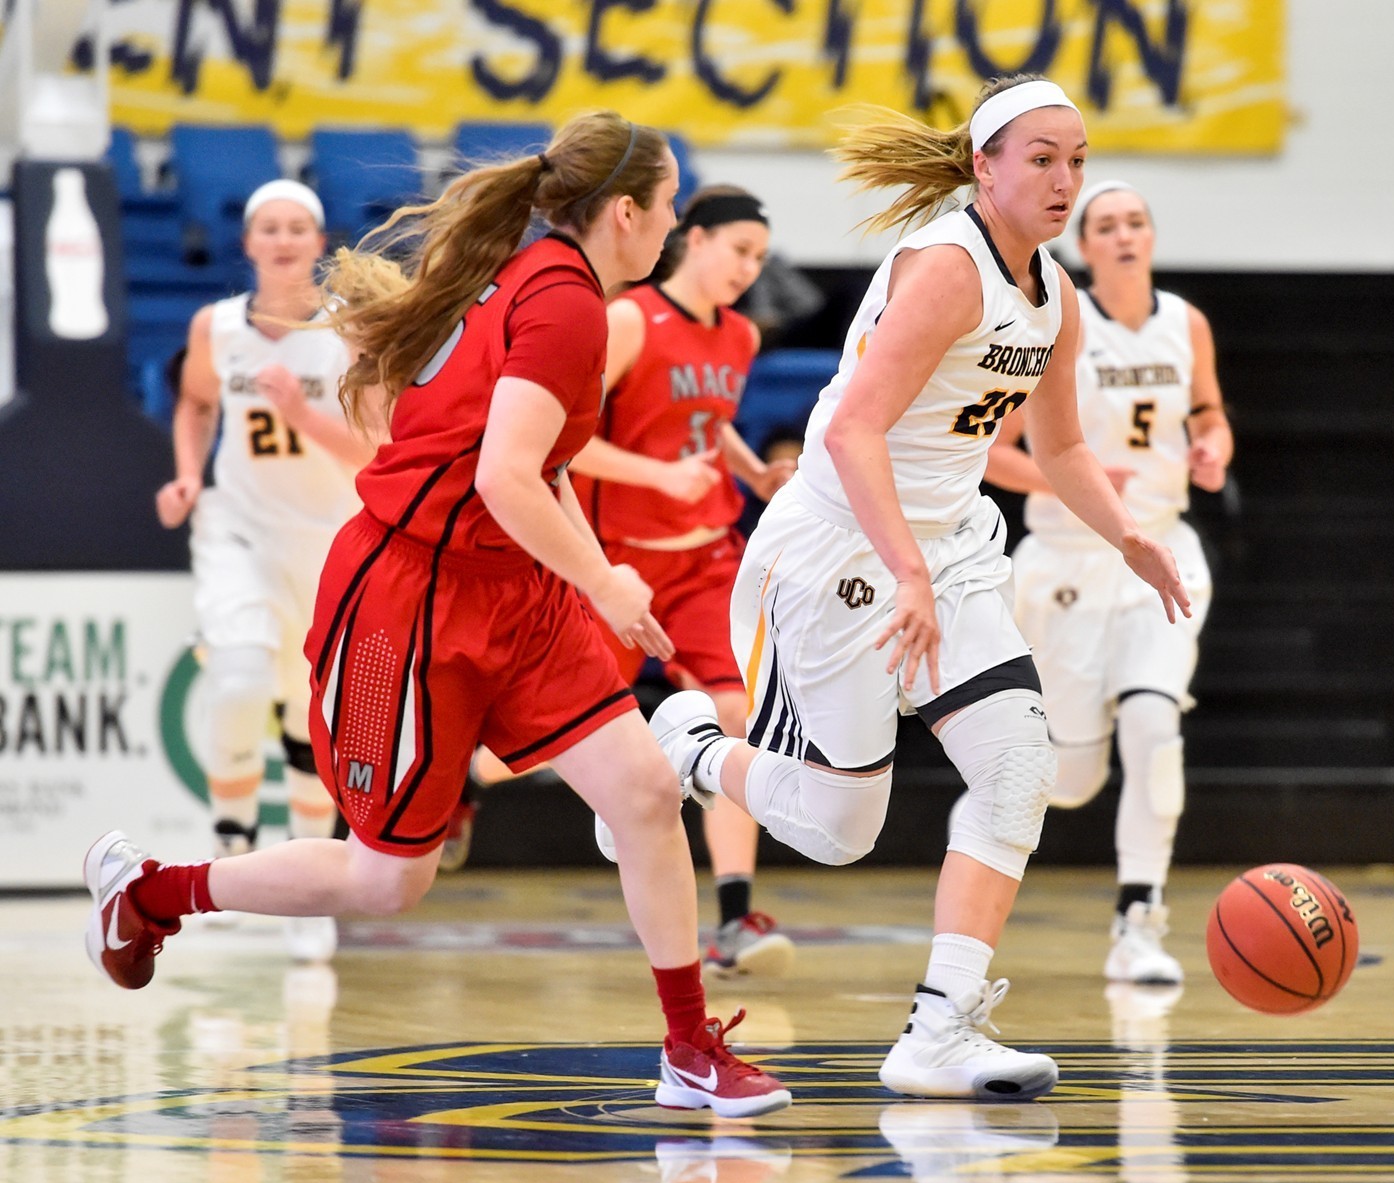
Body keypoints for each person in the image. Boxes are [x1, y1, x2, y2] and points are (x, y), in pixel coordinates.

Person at [84, 111, 791, 1119]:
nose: (675, 226)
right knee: (387, 883)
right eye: (671, 205)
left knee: (640, 794)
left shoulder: (543, 273)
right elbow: (507, 475)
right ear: (625, 211)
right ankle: (153, 894)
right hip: (410, 595)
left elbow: (494, 452)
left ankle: (687, 1046)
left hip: (510, 587)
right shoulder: (566, 303)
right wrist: (607, 583)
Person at [640, 75, 1189, 1099]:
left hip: (951, 551)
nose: (1065, 178)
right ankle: (693, 750)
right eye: (1041, 158)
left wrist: (1129, 539)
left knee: (1018, 769)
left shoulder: (1054, 295)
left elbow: (1061, 445)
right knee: (842, 830)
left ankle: (939, 1028)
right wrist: (904, 572)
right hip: (839, 549)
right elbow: (849, 429)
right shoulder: (946, 267)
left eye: (1076, 158)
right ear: (983, 166)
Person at [982, 180, 1232, 984]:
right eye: (1107, 225)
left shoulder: (1186, 323)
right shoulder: (1059, 322)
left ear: (1152, 237)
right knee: (1075, 777)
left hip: (1160, 554)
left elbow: (1208, 413)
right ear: (1084, 247)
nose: (1124, 235)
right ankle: (1004, 810)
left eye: (1136, 222)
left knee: (1155, 728)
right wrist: (1067, 480)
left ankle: (1139, 921)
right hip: (1065, 564)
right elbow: (993, 452)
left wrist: (1212, 449)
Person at [573, 185, 796, 978]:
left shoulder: (738, 334)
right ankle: (466, 784)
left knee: (737, 716)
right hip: (615, 564)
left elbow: (710, 417)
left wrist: (748, 470)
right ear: (692, 240)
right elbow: (560, 439)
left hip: (706, 556)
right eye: (739, 249)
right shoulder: (629, 319)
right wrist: (654, 475)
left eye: (760, 258)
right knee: (538, 744)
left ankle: (735, 917)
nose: (748, 267)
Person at [153, 180, 371, 962]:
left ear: (320, 241)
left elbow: (378, 451)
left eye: (297, 228)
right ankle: (231, 839)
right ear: (247, 243)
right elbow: (194, 404)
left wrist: (303, 415)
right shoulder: (215, 326)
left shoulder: (351, 331)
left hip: (330, 541)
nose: (282, 240)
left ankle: (308, 891)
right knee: (241, 677)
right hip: (237, 528)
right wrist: (186, 473)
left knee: (310, 720)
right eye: (268, 228)